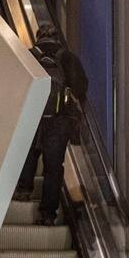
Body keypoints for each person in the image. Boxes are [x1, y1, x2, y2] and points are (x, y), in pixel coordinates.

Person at [16, 25, 89, 226]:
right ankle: (48, 214)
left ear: (37, 37)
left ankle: (23, 190)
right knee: (54, 167)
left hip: (32, 115)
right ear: (57, 38)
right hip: (60, 119)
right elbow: (81, 88)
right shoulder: (68, 58)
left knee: (28, 153)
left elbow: (15, 85)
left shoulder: (29, 56)